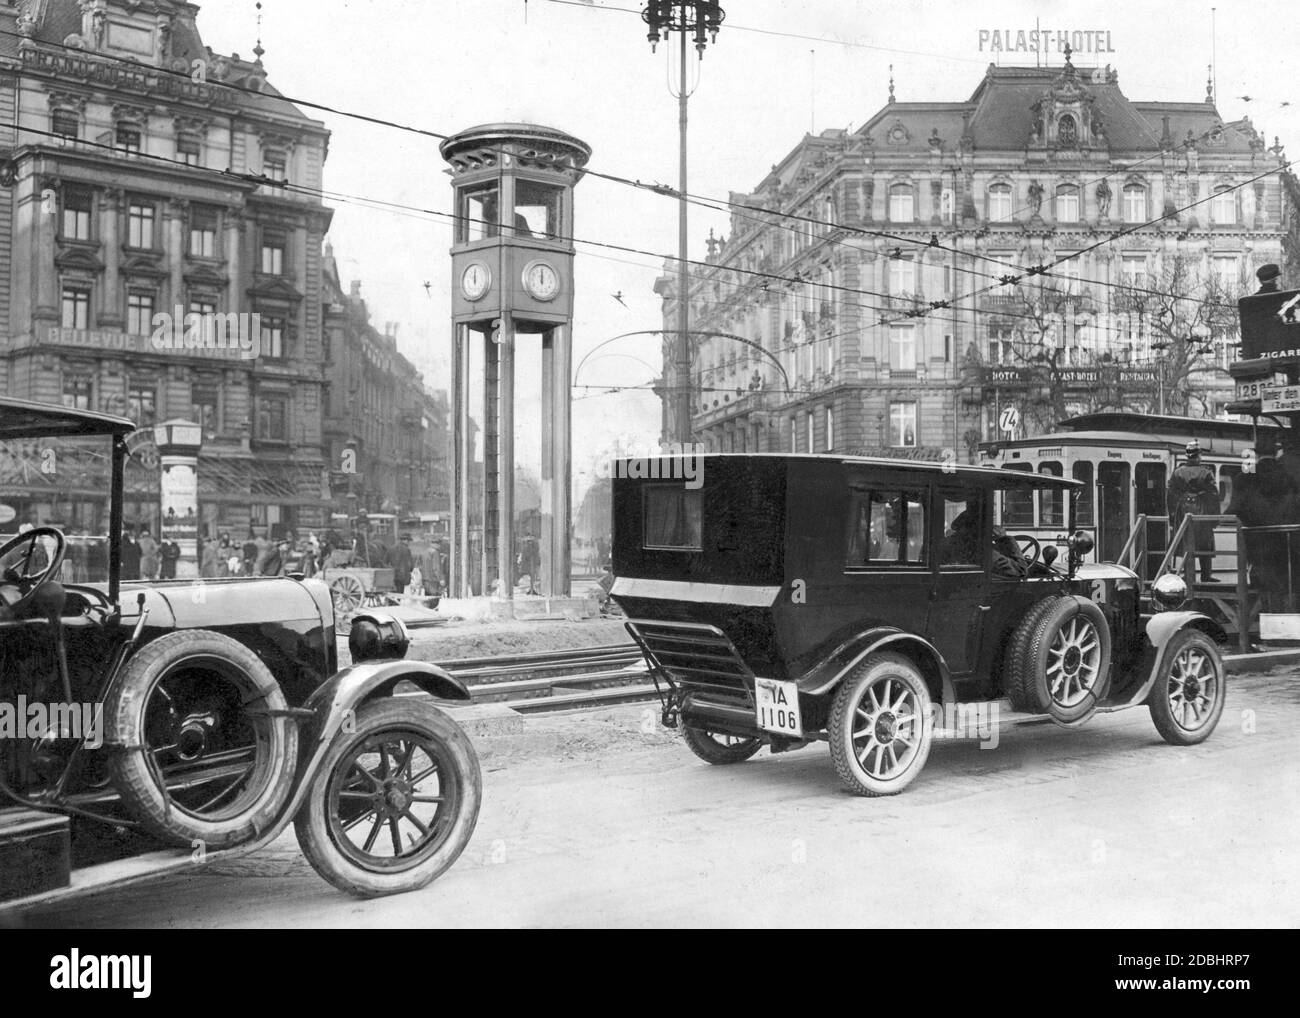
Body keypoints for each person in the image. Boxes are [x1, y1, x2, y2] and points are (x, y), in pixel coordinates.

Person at [1167, 440, 1220, 582]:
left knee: (1186, 543)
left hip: (1183, 512)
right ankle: (1206, 575)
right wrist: (1215, 519)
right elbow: (1214, 496)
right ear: (1199, 456)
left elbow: (1170, 495)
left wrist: (1172, 517)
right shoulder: (1206, 473)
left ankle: (1189, 575)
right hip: (1202, 512)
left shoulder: (1177, 473)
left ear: (1187, 455)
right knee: (1205, 543)